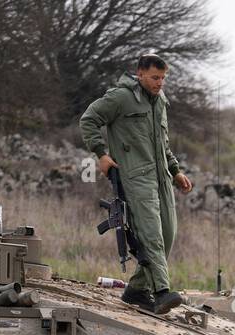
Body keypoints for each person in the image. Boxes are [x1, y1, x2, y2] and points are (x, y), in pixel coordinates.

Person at [80, 52, 193, 315]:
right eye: (155, 77)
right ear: (140, 73)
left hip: (161, 177)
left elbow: (162, 142)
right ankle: (162, 292)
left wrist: (175, 171)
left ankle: (136, 290)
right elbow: (89, 120)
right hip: (136, 177)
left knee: (167, 235)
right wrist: (102, 154)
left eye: (163, 78)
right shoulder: (121, 97)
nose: (159, 83)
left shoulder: (160, 101)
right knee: (151, 235)